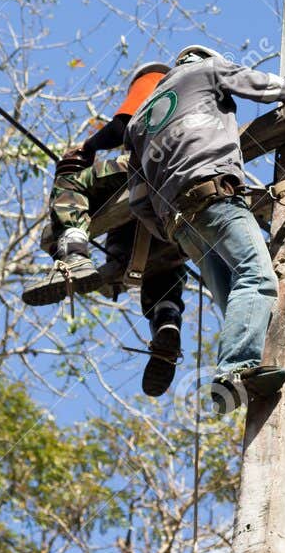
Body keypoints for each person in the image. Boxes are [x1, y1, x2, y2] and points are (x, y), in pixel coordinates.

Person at [125, 44, 285, 414]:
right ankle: (237, 368)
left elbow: (138, 200)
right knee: (257, 278)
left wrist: (167, 231)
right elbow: (257, 83)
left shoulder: (137, 122)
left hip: (180, 224)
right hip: (213, 197)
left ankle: (248, 359)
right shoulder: (206, 71)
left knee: (232, 292)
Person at [23, 62, 188, 397]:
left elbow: (123, 126)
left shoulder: (157, 80)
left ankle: (74, 256)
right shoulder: (206, 98)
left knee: (73, 181)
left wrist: (87, 148)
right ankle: (166, 322)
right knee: (167, 263)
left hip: (146, 163)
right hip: (188, 185)